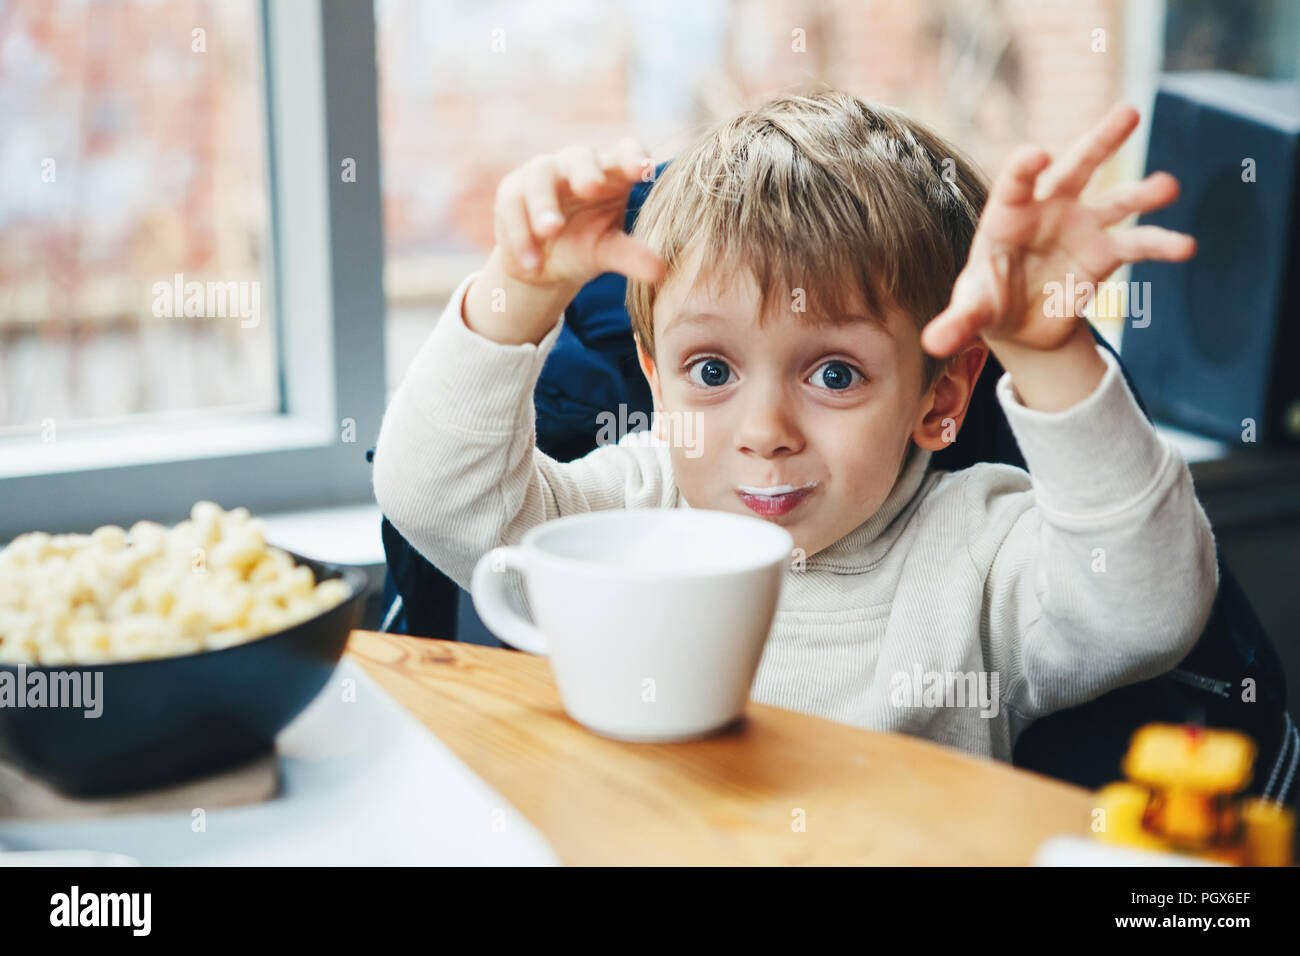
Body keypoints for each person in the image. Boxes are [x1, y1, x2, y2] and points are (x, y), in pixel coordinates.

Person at [371, 88, 1215, 762]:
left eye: (835, 374)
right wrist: (517, 294)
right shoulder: (633, 504)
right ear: (656, 382)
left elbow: (1149, 608)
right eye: (712, 371)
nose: (765, 430)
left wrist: (1049, 351)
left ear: (940, 398)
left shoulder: (979, 552)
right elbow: (436, 499)